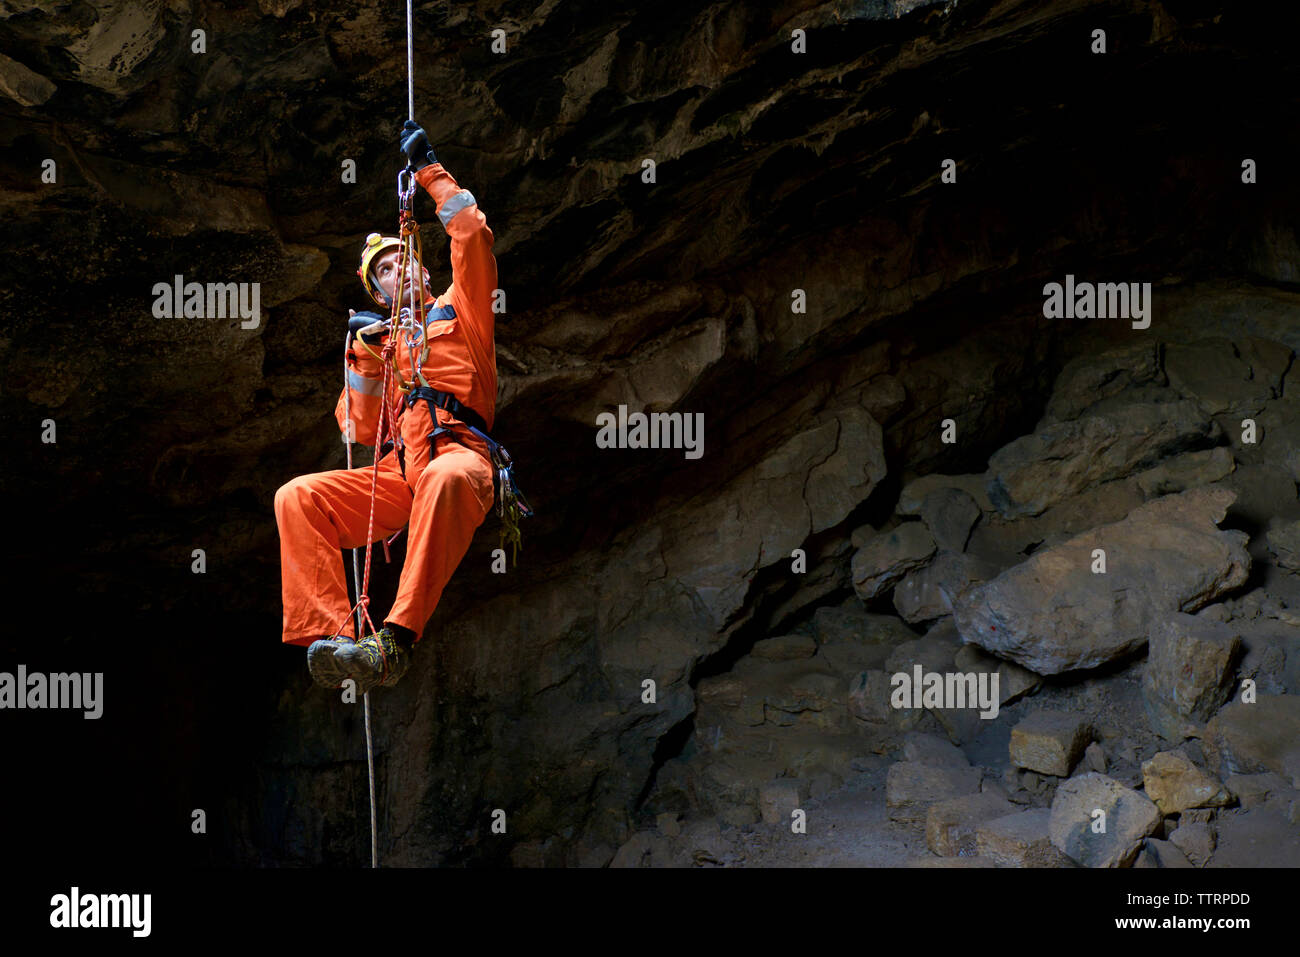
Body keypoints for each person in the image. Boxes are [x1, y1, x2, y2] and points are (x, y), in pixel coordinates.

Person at [274, 121, 498, 694]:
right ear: (375, 295)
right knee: (297, 496)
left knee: (447, 477)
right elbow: (361, 429)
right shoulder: (379, 346)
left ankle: (393, 641)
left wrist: (429, 171)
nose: (394, 271)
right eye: (382, 273)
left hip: (460, 455)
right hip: (401, 474)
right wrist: (364, 359)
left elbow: (471, 234)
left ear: (422, 268)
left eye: (401, 262)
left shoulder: (461, 309)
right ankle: (336, 637)